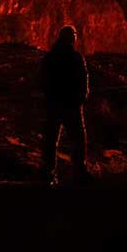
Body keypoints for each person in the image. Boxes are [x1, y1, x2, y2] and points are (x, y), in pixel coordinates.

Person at [40, 25, 88, 183]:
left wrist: (48, 98)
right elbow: (83, 80)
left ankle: (48, 173)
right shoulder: (75, 58)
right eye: (74, 35)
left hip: (54, 104)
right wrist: (80, 98)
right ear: (71, 38)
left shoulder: (50, 57)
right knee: (77, 139)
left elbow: (42, 79)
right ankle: (79, 171)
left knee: (50, 139)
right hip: (71, 105)